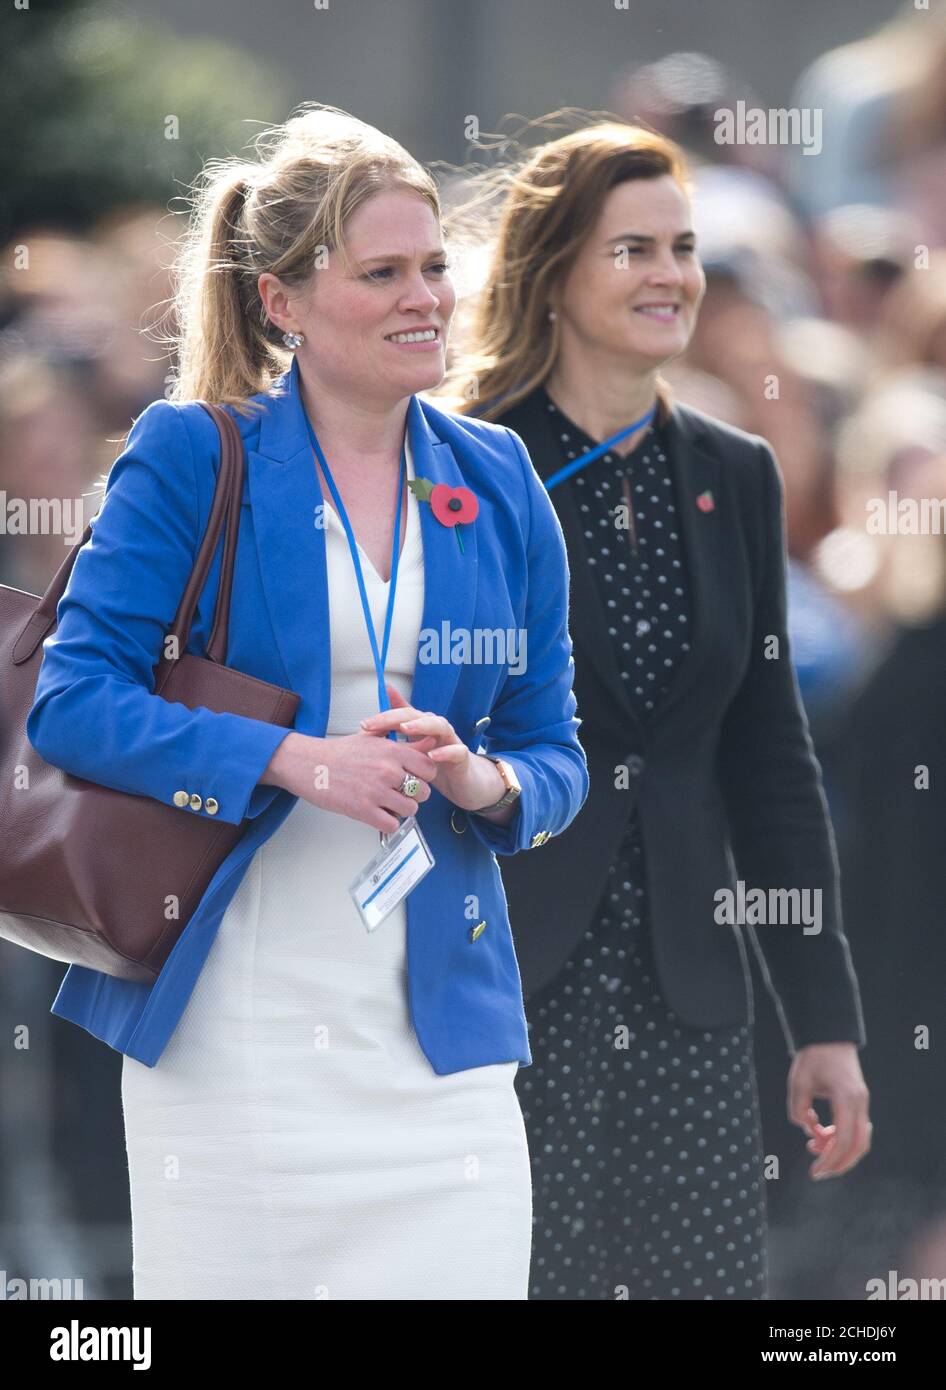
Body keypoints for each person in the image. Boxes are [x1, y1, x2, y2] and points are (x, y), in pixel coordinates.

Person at [25, 104, 588, 1301]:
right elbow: (70, 705)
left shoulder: (499, 478)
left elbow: (555, 754)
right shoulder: (190, 451)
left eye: (434, 267)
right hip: (236, 1033)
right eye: (380, 272)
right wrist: (294, 757)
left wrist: (483, 781)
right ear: (281, 301)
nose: (423, 297)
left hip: (444, 1047)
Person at [441, 119, 871, 1300]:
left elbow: (768, 760)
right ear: (554, 271)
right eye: (631, 248)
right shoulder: (465, 462)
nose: (670, 274)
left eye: (680, 246)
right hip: (501, 982)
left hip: (688, 994)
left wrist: (822, 1020)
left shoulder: (736, 472)